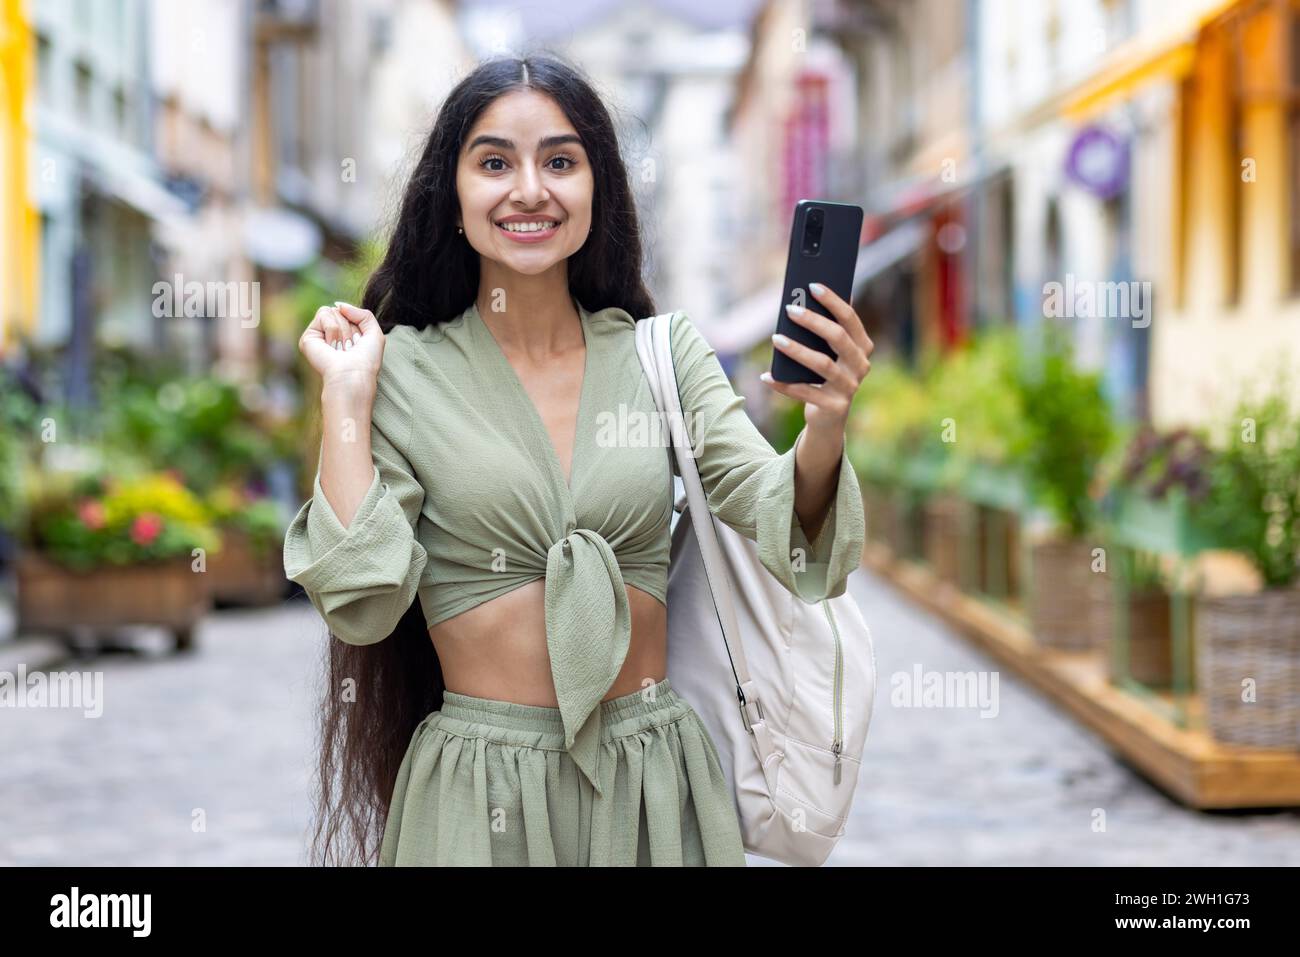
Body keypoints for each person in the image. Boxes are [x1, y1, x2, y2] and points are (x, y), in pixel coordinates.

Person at [283, 53, 872, 867]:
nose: (530, 189)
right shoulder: (402, 370)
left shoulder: (662, 356)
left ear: (599, 189)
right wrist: (346, 399)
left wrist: (827, 421)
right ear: (451, 195)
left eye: (561, 160)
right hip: (476, 790)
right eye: (495, 162)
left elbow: (794, 536)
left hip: (652, 785)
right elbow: (362, 599)